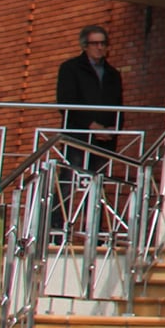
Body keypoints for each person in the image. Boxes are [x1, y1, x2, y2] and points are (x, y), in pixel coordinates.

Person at [55, 25, 123, 201]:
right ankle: (57, 223)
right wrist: (91, 126)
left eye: (103, 43)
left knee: (98, 182)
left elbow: (118, 105)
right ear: (85, 45)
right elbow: (66, 102)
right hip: (78, 136)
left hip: (104, 140)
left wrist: (113, 129)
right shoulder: (70, 68)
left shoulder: (113, 74)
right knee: (70, 179)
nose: (100, 47)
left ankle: (94, 225)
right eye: (95, 43)